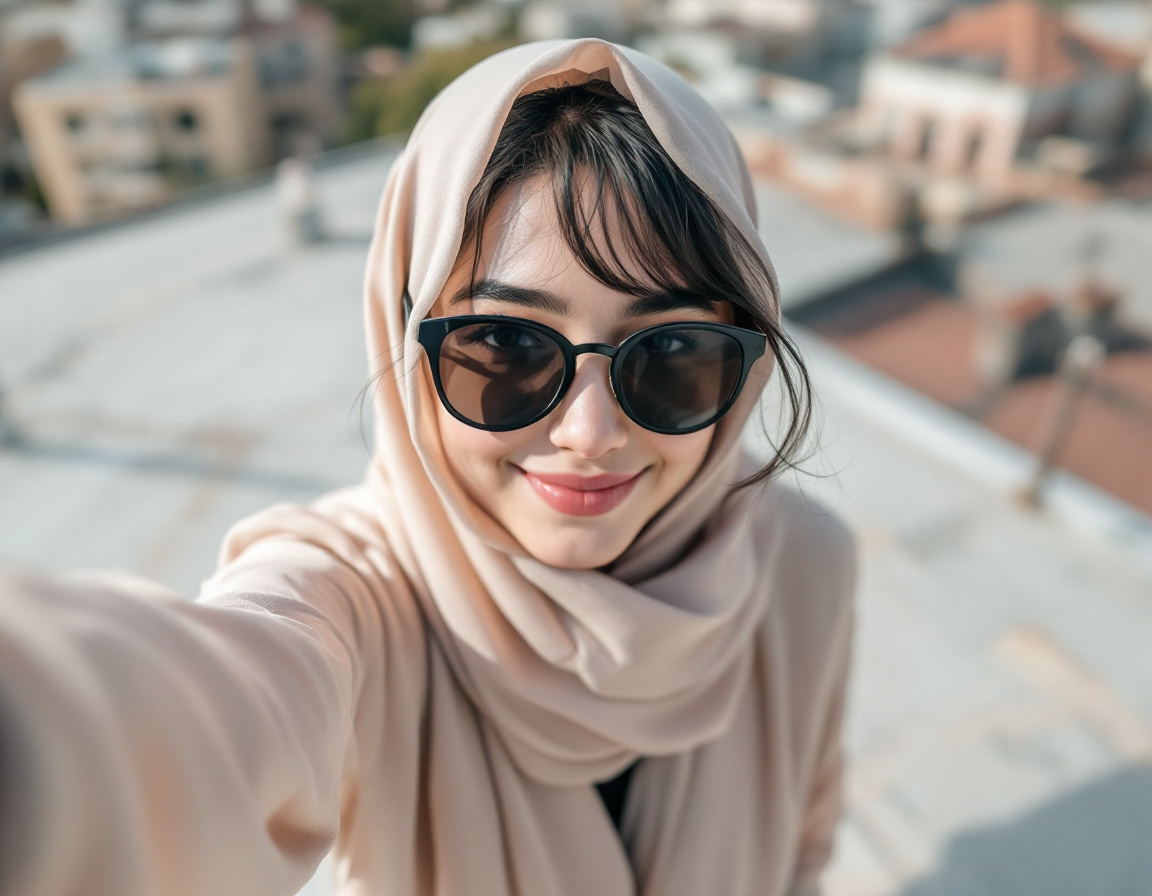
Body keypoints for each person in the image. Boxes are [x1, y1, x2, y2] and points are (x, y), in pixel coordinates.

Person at [0, 39, 855, 896]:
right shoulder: (360, 599)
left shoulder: (804, 563)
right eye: (507, 344)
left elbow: (805, 850)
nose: (591, 432)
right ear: (406, 339)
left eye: (672, 349)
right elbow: (210, 708)